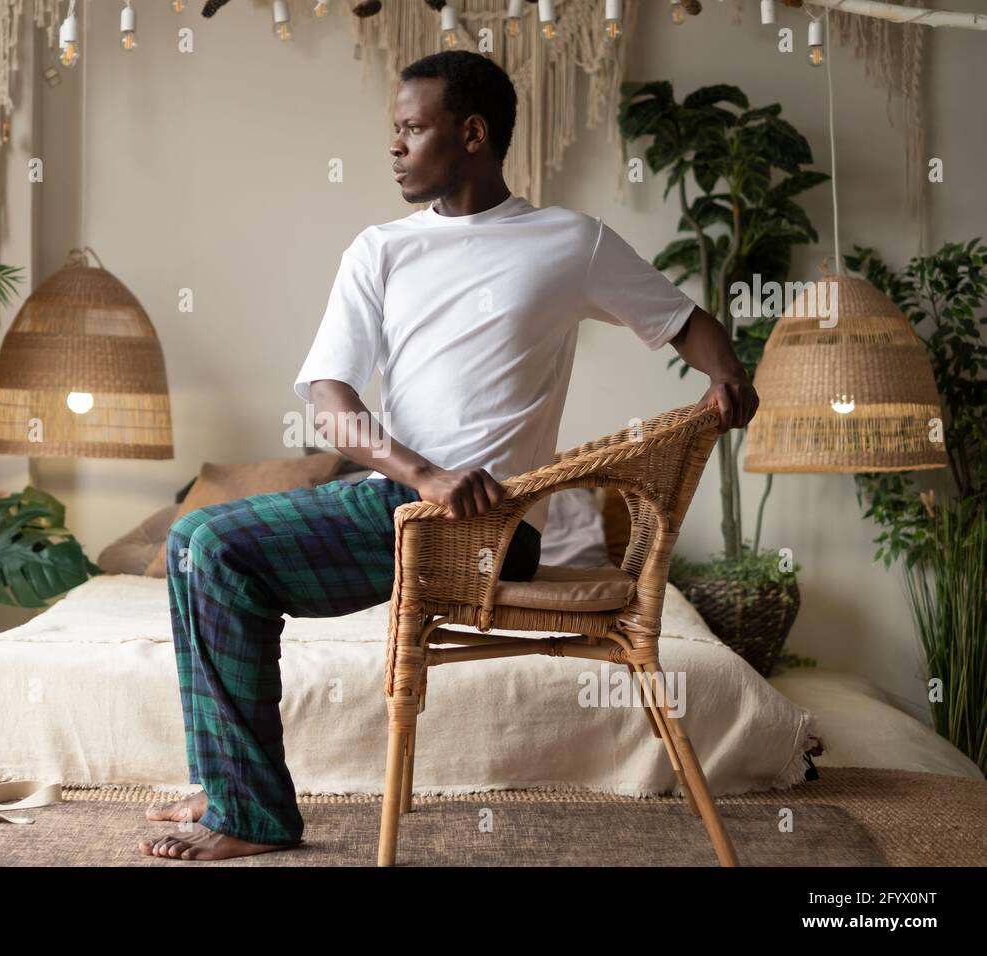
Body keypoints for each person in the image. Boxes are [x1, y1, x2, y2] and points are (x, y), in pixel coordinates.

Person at [140, 50, 757, 862]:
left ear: (471, 133)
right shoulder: (382, 249)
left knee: (207, 543)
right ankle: (237, 791)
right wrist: (423, 473)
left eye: (411, 128)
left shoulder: (570, 242)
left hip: (501, 531)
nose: (393, 147)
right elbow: (329, 400)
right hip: (404, 507)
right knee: (197, 548)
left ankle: (245, 805)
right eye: (393, 131)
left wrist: (728, 374)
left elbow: (685, 320)